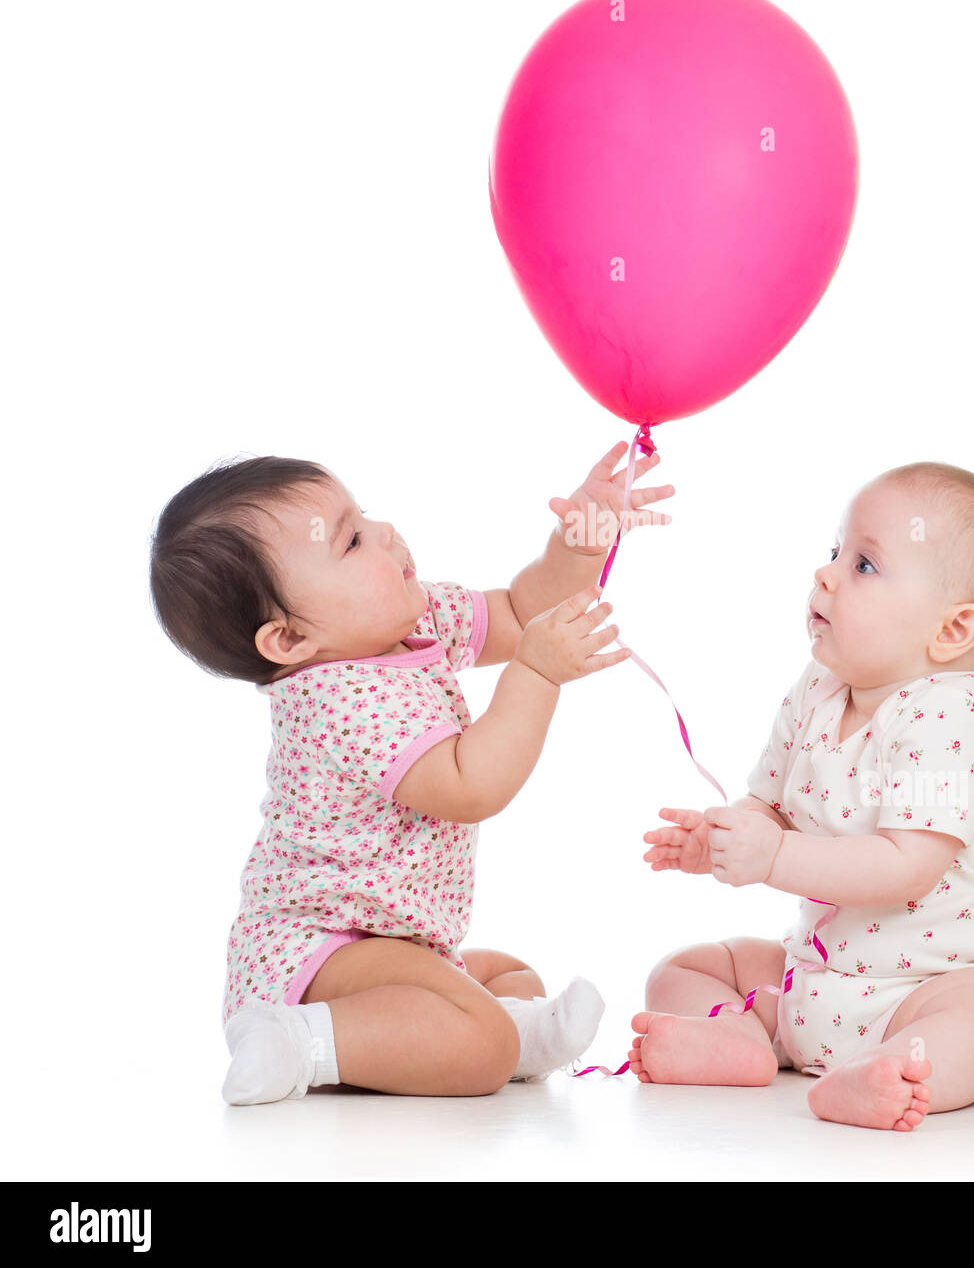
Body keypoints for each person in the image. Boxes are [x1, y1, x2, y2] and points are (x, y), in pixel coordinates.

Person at [149, 443, 672, 1104]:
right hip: (317, 948)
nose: (386, 534)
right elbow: (468, 786)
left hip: (388, 937)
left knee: (505, 973)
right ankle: (295, 1039)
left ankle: (508, 1031)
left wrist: (581, 540)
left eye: (363, 517)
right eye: (351, 542)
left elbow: (519, 610)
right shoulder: (338, 699)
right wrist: (535, 674)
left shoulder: (407, 622)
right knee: (479, 1046)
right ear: (287, 640)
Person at [631, 462, 974, 1131]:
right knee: (687, 968)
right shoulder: (818, 690)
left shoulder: (948, 717)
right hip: (809, 982)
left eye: (862, 566)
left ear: (951, 631)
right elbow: (768, 808)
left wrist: (770, 858)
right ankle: (740, 1040)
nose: (824, 575)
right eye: (834, 553)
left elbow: (904, 865)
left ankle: (889, 1073)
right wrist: (722, 838)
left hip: (924, 997)